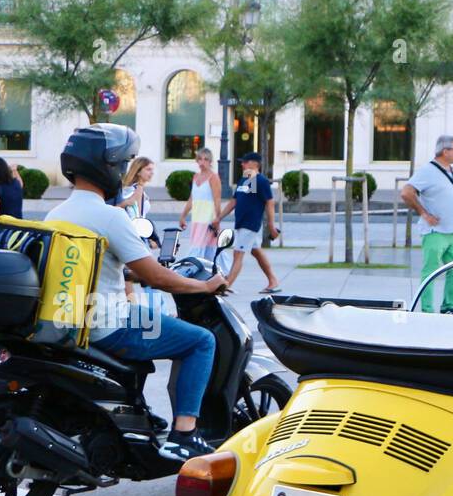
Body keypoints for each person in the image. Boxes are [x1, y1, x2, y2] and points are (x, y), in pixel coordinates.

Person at [50, 124, 226, 461]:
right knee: (201, 340)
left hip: (69, 318)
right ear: (109, 167)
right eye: (122, 163)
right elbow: (158, 277)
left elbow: (90, 263)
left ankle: (139, 412)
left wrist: (129, 271)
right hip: (109, 322)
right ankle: (184, 434)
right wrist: (204, 285)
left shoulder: (57, 213)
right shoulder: (110, 216)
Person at [401, 134, 453, 314]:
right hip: (435, 232)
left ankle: (449, 306)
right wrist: (424, 213)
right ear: (445, 151)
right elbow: (407, 193)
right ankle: (427, 310)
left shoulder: (452, 170)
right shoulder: (428, 171)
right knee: (431, 272)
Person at [215, 151, 282, 293]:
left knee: (238, 253)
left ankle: (226, 285)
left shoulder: (261, 181)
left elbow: (270, 202)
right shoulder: (246, 179)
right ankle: (273, 281)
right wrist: (219, 217)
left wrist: (271, 225)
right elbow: (235, 200)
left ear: (254, 164)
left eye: (245, 161)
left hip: (251, 223)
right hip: (241, 222)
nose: (242, 164)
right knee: (255, 251)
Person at [178, 147, 221, 260]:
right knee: (209, 249)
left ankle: (190, 270)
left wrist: (217, 218)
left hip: (208, 218)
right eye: (200, 159)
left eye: (206, 159)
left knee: (198, 248)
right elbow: (192, 198)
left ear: (210, 162)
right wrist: (183, 216)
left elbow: (217, 199)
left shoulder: (213, 177)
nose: (202, 162)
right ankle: (216, 273)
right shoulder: (195, 177)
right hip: (197, 217)